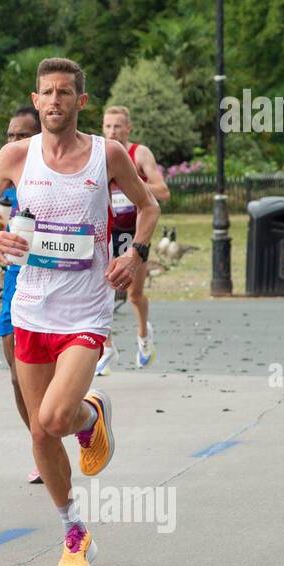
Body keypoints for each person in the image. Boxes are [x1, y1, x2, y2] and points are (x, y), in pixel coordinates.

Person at [0, 57, 159, 566]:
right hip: (31, 307)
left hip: (86, 307)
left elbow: (148, 207)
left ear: (80, 102)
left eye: (64, 93)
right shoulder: (17, 155)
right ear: (36, 98)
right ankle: (73, 529)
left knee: (51, 417)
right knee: (42, 433)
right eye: (46, 93)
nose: (53, 102)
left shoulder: (106, 155)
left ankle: (90, 415)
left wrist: (134, 253)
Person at [0, 106, 44, 482]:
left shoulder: (58, 173)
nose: (14, 142)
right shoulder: (7, 180)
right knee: (17, 372)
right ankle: (40, 443)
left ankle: (65, 422)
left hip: (58, 278)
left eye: (22, 136)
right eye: (10, 135)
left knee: (47, 372)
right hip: (17, 275)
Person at [100, 105, 169, 373]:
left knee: (133, 294)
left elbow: (162, 191)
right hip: (107, 230)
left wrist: (132, 184)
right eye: (107, 126)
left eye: (117, 126)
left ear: (128, 128)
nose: (112, 131)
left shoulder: (139, 154)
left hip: (136, 232)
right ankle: (106, 348)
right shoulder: (99, 153)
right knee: (102, 290)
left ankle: (143, 336)